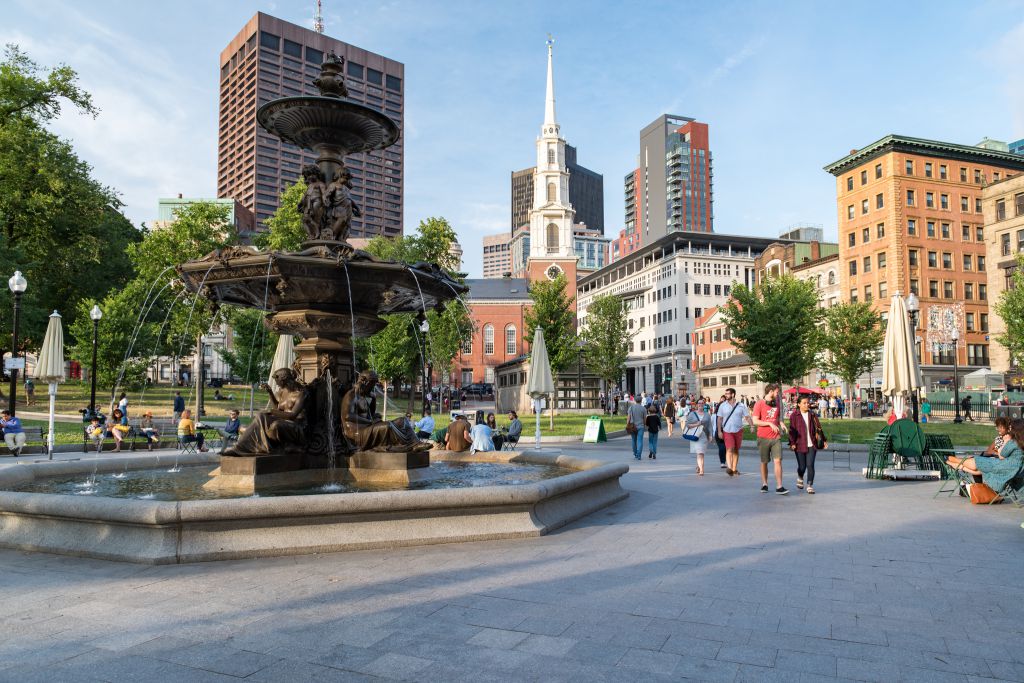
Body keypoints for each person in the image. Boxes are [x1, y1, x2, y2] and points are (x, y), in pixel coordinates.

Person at [946, 418, 1024, 495]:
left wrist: (1006, 441)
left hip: (1006, 468)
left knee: (978, 461)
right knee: (981, 470)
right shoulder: (1020, 441)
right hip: (1015, 470)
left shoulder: (1013, 442)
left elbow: (1001, 456)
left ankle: (952, 459)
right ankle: (956, 464)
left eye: (1011, 427)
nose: (1010, 429)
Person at [752, 384, 788, 495]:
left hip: (776, 437)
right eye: (777, 392)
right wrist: (768, 423)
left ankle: (779, 486)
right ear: (771, 391)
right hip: (763, 437)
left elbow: (776, 418)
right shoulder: (759, 404)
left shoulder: (776, 403)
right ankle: (764, 484)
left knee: (778, 461)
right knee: (764, 462)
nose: (778, 394)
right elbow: (755, 421)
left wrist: (781, 423)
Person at [788, 396, 827, 494]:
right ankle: (800, 477)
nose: (807, 405)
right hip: (799, 444)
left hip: (812, 444)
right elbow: (791, 431)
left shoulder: (812, 415)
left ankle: (810, 485)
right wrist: (792, 443)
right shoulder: (794, 415)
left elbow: (819, 428)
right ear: (799, 404)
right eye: (804, 403)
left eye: (807, 403)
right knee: (802, 467)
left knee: (810, 465)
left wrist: (824, 440)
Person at [718, 387, 750, 476]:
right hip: (727, 430)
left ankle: (734, 469)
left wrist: (751, 426)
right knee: (730, 448)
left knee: (736, 450)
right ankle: (729, 467)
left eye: (728, 393)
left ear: (732, 394)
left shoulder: (741, 405)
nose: (726, 395)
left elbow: (747, 416)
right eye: (725, 393)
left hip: (738, 430)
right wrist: (719, 431)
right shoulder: (722, 405)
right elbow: (719, 419)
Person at [684, 398, 712, 475]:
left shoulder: (707, 415)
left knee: (701, 453)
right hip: (695, 435)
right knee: (699, 453)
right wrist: (696, 424)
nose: (700, 404)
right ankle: (702, 470)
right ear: (696, 405)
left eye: (702, 403)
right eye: (699, 403)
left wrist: (710, 435)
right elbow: (687, 425)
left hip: (704, 435)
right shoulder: (692, 414)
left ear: (704, 405)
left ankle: (699, 466)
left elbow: (710, 426)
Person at [626, 396, 648, 461]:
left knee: (633, 440)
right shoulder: (643, 408)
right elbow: (645, 418)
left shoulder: (631, 407)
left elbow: (628, 417)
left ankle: (635, 453)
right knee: (640, 440)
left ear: (635, 400)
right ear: (641, 401)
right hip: (640, 426)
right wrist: (644, 424)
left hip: (633, 426)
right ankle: (639, 455)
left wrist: (627, 424)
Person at [710, 396, 728, 469]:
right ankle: (723, 462)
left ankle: (725, 461)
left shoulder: (726, 415)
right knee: (722, 447)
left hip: (727, 432)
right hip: (718, 432)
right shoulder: (714, 415)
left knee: (726, 448)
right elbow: (711, 425)